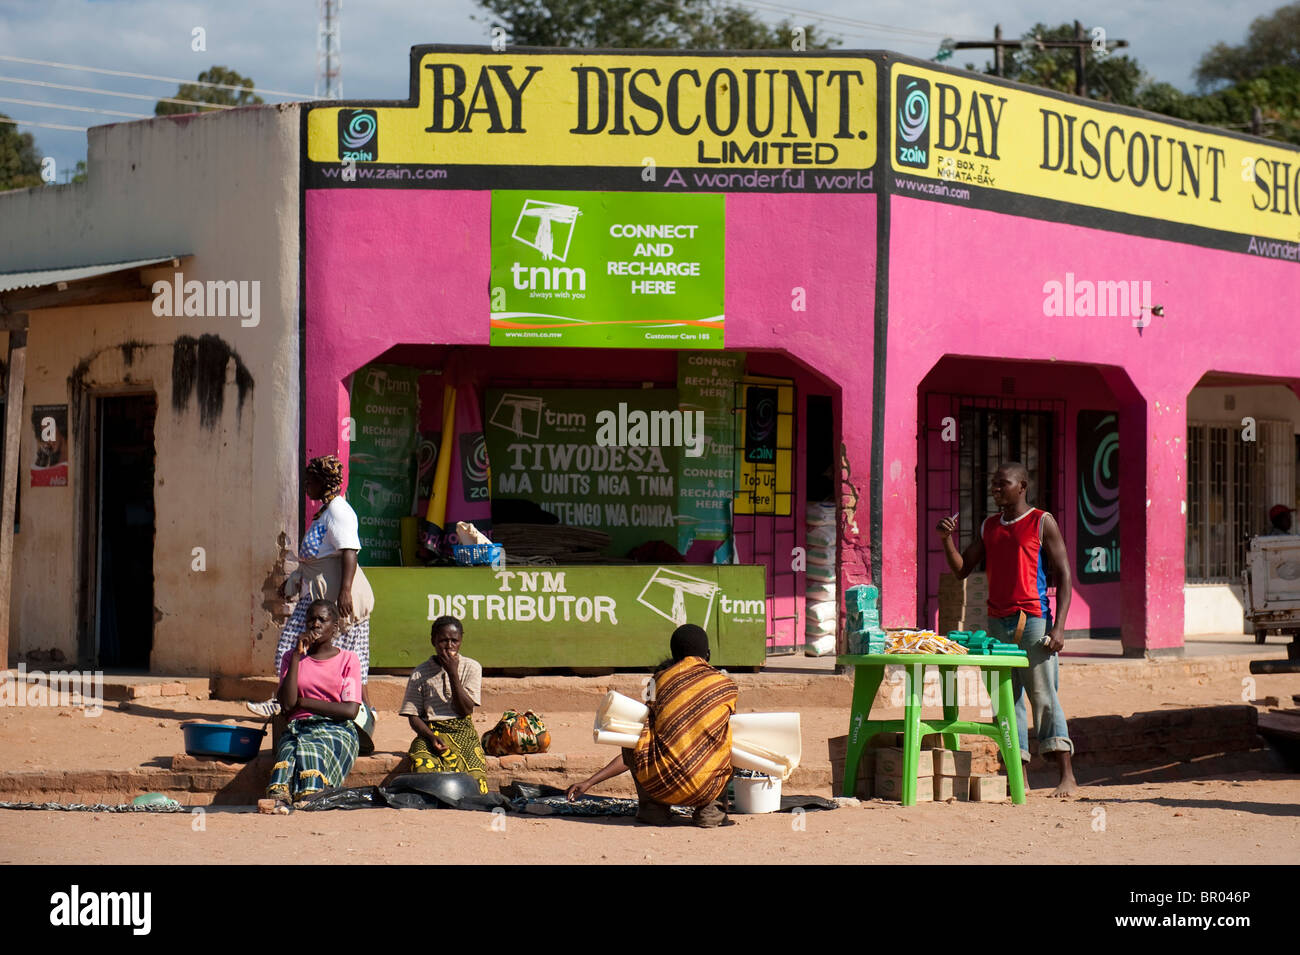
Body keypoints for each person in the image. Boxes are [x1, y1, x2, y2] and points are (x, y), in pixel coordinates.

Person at [936, 462, 1078, 797]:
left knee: (1044, 697)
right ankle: (1020, 778)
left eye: (1003, 483)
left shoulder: (1042, 522)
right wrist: (946, 541)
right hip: (996, 624)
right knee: (1005, 701)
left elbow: (1066, 576)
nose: (996, 489)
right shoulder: (989, 526)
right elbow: (962, 570)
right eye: (993, 483)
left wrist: (1059, 628)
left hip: (1034, 622)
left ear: (1022, 485)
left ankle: (1067, 777)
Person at [565, 624, 738, 827]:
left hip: (660, 785)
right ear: (707, 654)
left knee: (639, 739)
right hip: (706, 787)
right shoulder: (726, 686)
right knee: (729, 739)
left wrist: (589, 782)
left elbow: (636, 746)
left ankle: (653, 810)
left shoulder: (657, 682)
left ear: (674, 656)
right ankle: (711, 812)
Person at [248, 455, 375, 718]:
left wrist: (345, 591)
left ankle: (363, 713)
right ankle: (287, 699)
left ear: (324, 481)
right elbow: (316, 559)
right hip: (319, 594)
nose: (307, 485)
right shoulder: (324, 513)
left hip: (337, 598)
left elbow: (350, 551)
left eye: (311, 480)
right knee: (305, 648)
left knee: (341, 655)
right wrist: (293, 580)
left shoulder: (339, 511)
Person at [266, 600, 362, 807]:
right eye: (311, 619)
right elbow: (289, 704)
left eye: (322, 620)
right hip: (298, 726)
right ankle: (284, 796)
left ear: (334, 627)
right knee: (289, 751)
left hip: (336, 727)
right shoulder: (291, 658)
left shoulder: (348, 659)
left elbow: (350, 710)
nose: (315, 624)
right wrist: (296, 657)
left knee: (314, 747)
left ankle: (312, 793)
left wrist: (304, 702)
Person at [399, 615, 490, 795]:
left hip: (462, 730)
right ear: (433, 640)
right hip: (430, 731)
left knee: (475, 776)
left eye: (454, 641)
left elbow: (465, 710)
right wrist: (431, 736)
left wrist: (453, 674)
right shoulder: (420, 672)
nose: (449, 646)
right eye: (443, 640)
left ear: (461, 641)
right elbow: (413, 716)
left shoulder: (471, 667)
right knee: (422, 765)